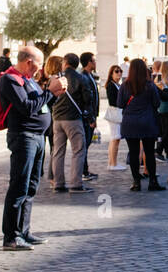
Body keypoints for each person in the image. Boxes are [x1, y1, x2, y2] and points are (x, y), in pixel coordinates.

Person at [0, 46, 65, 250]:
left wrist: (54, 94)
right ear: (28, 62)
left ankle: (24, 231)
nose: (40, 68)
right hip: (23, 137)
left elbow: (40, 103)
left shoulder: (29, 81)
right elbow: (27, 107)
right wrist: (50, 91)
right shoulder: (9, 80)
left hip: (37, 137)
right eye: (38, 63)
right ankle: (11, 236)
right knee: (19, 185)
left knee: (32, 185)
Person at [118, 58, 165, 193]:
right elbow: (157, 103)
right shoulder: (149, 86)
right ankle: (152, 182)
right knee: (149, 152)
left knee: (133, 153)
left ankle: (136, 182)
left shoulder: (124, 85)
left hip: (130, 123)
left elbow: (120, 104)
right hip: (147, 122)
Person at [50, 53, 88, 193]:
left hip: (57, 118)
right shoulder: (80, 78)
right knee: (78, 150)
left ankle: (58, 183)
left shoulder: (57, 77)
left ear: (65, 63)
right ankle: (76, 183)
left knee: (58, 151)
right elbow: (87, 98)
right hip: (73, 118)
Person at [77, 53, 100, 181]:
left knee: (87, 143)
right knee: (84, 144)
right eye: (94, 60)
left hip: (91, 115)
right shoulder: (84, 77)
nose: (95, 62)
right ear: (89, 62)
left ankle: (85, 169)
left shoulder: (90, 76)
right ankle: (83, 171)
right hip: (87, 117)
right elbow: (87, 100)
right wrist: (91, 118)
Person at [104, 64, 126, 170]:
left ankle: (111, 162)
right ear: (111, 73)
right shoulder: (111, 85)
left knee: (115, 138)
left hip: (117, 113)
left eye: (120, 71)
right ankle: (113, 164)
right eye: (116, 71)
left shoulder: (118, 84)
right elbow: (113, 101)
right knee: (115, 138)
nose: (119, 73)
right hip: (114, 114)